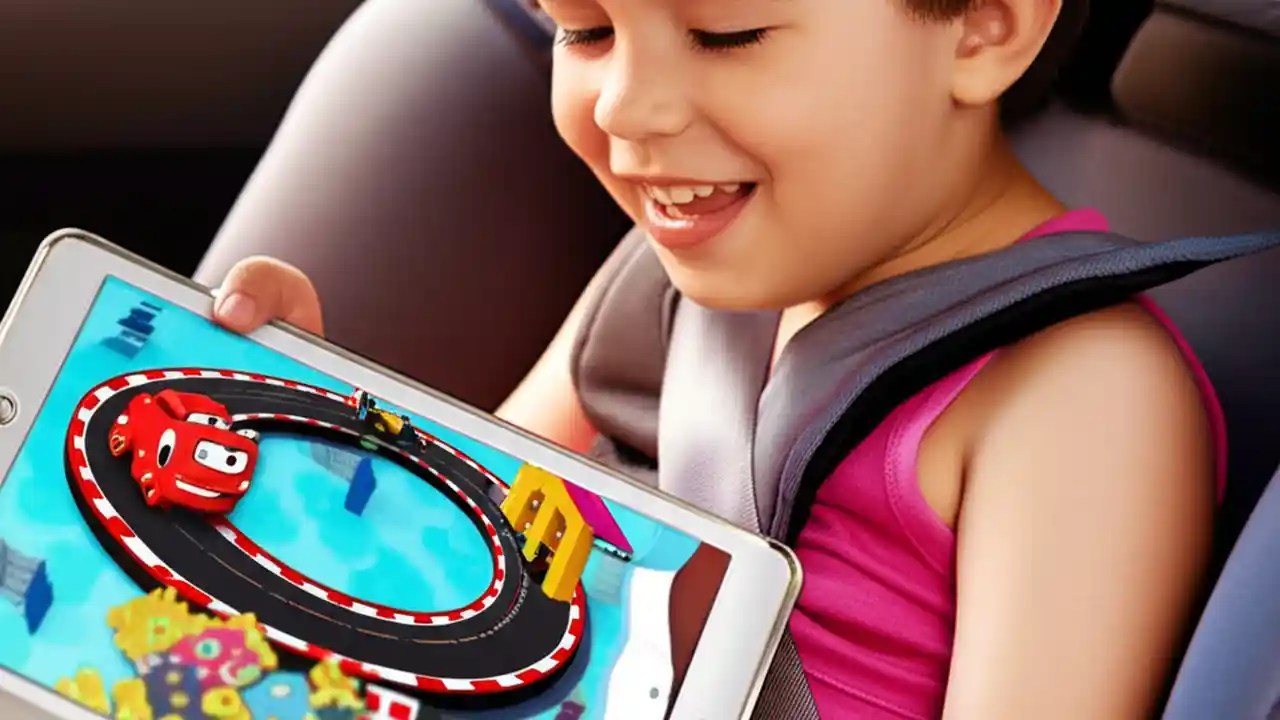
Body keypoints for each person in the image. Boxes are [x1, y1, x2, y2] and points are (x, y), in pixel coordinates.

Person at [210, 1, 1222, 717]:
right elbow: (451, 556)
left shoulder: (1072, 397)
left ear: (985, 23)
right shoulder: (670, 277)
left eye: (724, 34)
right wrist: (314, 442)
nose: (623, 109)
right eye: (585, 30)